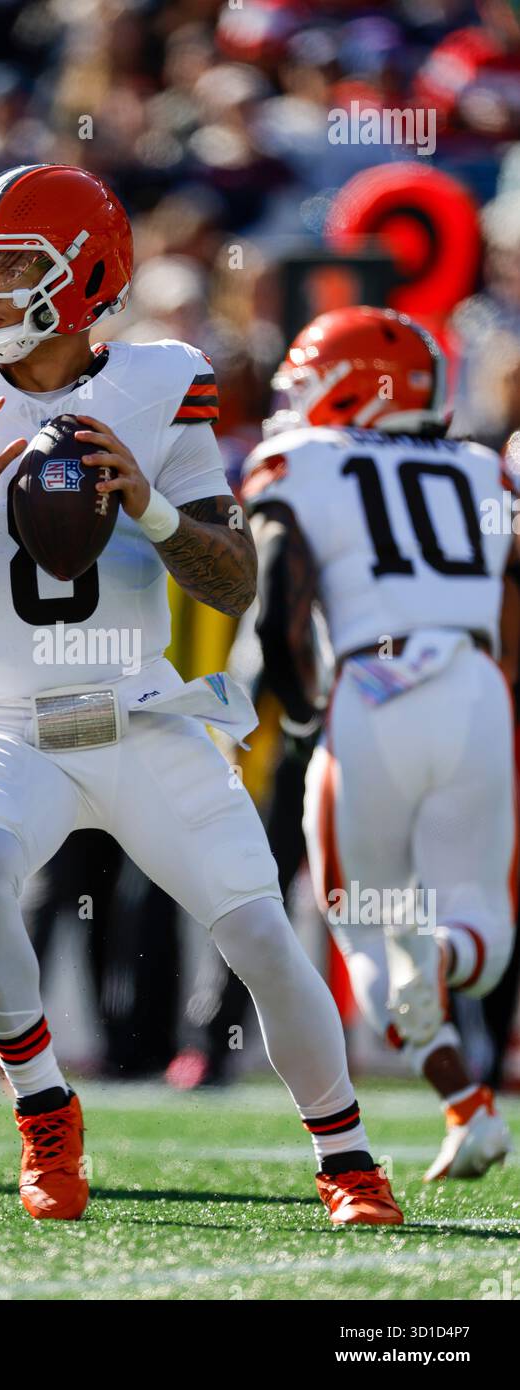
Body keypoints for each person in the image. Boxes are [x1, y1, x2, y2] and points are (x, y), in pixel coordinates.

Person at [0, 163, 402, 1226]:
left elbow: (231, 577)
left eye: (10, 270)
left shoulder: (162, 382)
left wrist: (148, 509)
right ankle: (46, 1116)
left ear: (81, 278)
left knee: (261, 936)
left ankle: (346, 1159)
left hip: (140, 715)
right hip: (3, 726)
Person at [243, 304, 516, 1181]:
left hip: (372, 685)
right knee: (483, 931)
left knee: (366, 931)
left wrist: (291, 701)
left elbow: (280, 588)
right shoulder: (484, 467)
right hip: (477, 685)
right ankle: (467, 1107)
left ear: (360, 386)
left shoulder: (308, 460)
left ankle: (419, 972)